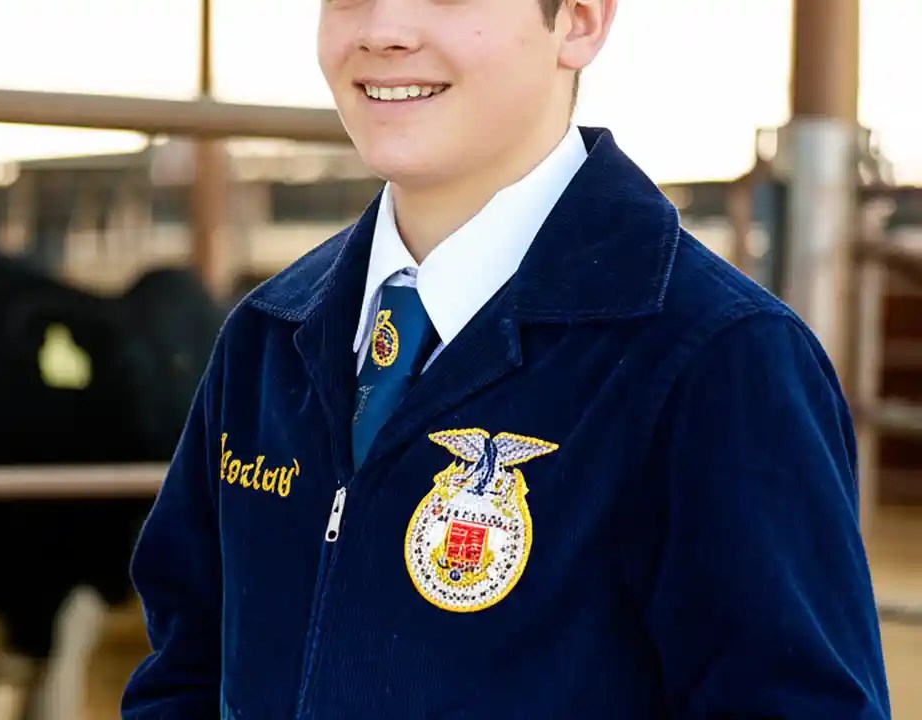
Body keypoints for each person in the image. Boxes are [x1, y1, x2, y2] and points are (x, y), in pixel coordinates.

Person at [120, 0, 893, 717]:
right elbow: (188, 667)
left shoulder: (720, 362)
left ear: (581, 19)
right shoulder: (266, 335)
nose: (384, 27)